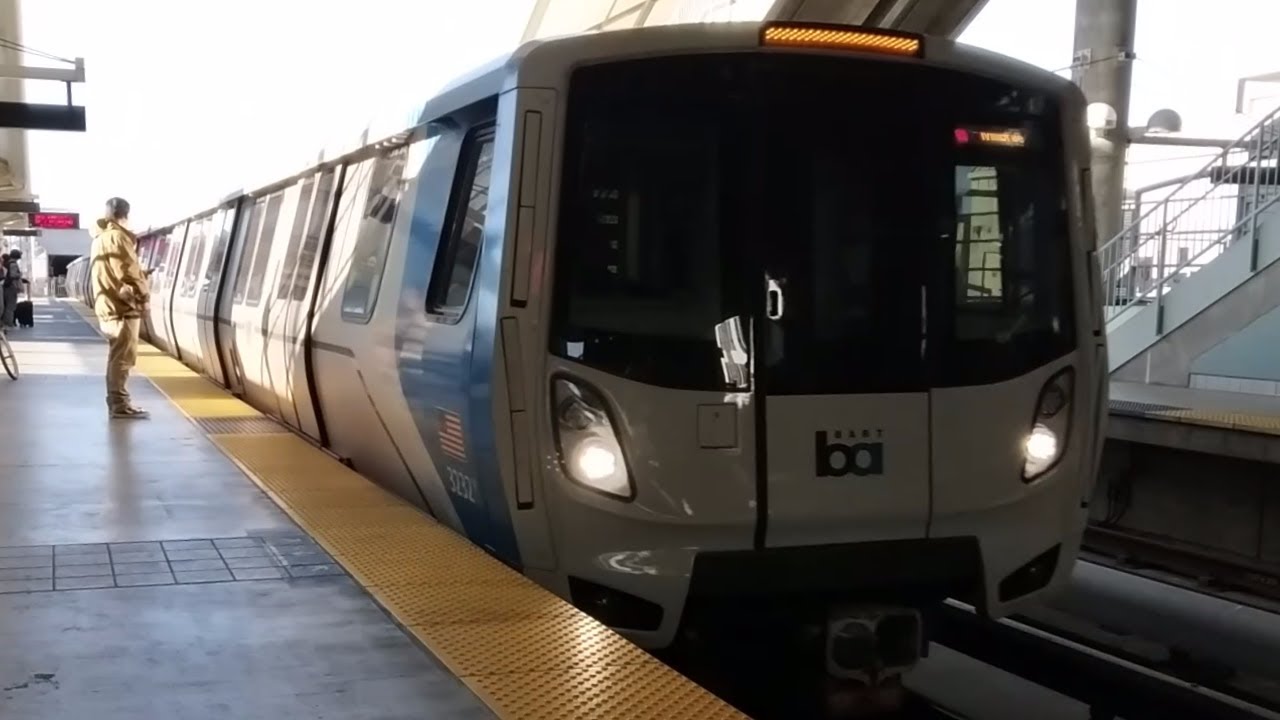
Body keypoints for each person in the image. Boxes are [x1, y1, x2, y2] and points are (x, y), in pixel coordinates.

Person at [90, 197, 150, 419]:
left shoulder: (99, 239)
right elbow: (127, 272)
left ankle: (117, 401)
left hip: (108, 304)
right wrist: (144, 297)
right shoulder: (117, 237)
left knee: (116, 356)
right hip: (122, 307)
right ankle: (120, 404)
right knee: (123, 358)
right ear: (126, 215)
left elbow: (113, 271)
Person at [1, 250, 24, 328]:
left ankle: (6, 322)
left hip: (7, 287)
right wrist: (19, 274)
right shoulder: (13, 264)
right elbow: (13, 275)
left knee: (6, 305)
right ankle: (8, 323)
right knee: (10, 306)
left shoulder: (7, 263)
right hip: (11, 287)